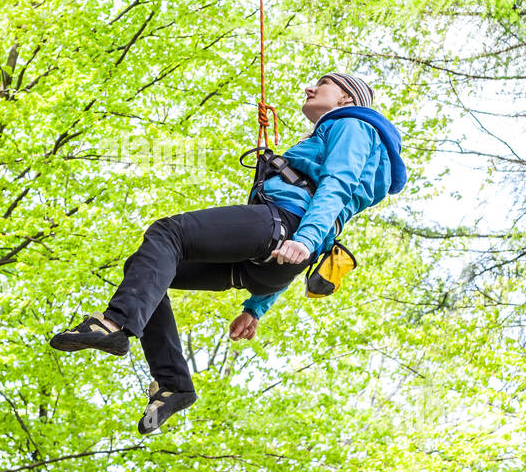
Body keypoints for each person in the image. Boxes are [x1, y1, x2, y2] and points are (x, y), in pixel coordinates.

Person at [49, 71, 407, 433]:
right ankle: (173, 383)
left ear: (347, 99)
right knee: (150, 269)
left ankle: (112, 326)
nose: (309, 88)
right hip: (275, 258)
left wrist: (307, 239)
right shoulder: (342, 133)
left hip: (283, 227)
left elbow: (337, 184)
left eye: (322, 84)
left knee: (166, 233)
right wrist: (257, 306)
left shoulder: (354, 126)